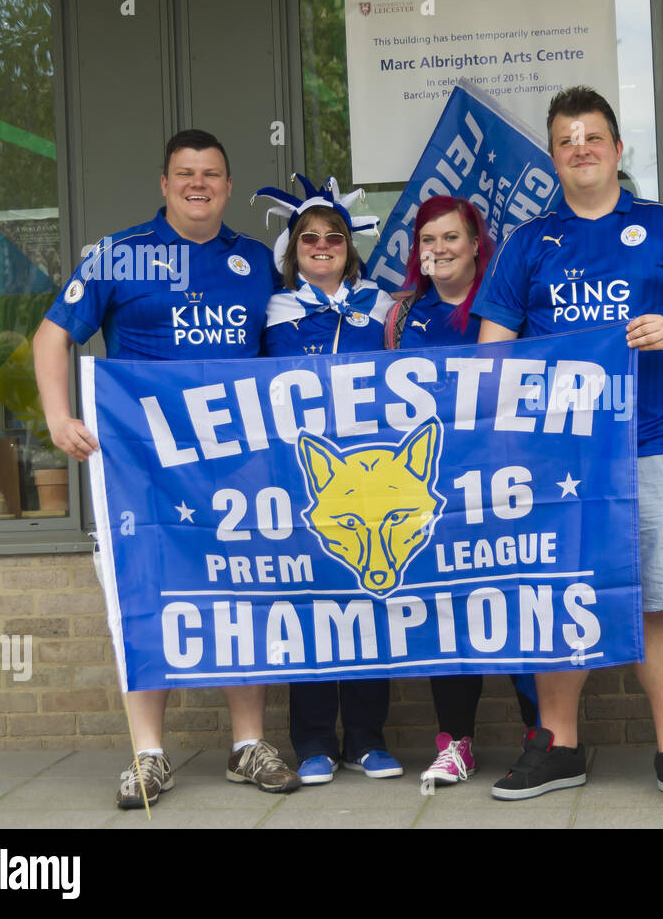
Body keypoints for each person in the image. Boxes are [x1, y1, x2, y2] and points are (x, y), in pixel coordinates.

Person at [475, 85, 663, 808]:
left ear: (618, 150)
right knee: (557, 593)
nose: (581, 147)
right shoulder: (528, 243)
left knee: (662, 595)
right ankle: (557, 743)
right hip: (557, 457)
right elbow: (491, 352)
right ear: (555, 157)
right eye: (566, 139)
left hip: (649, 446)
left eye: (594, 136)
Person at [33, 129, 301, 808]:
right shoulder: (117, 256)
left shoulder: (256, 264)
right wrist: (58, 417)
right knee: (145, 598)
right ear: (164, 183)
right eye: (185, 173)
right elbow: (51, 335)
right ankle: (148, 756)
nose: (199, 184)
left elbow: (284, 355)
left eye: (211, 173)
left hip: (240, 469)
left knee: (245, 592)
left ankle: (247, 744)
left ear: (229, 184)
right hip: (142, 470)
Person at [382, 194, 539, 787]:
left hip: (503, 486)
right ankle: (455, 744)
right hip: (435, 494)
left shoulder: (505, 309)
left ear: (477, 245)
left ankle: (538, 735)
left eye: (451, 238)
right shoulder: (402, 317)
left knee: (519, 609)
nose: (439, 249)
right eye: (428, 240)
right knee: (449, 613)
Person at [255, 174, 402, 784]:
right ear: (291, 248)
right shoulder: (272, 311)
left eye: (333, 236)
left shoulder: (386, 308)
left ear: (350, 244)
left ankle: (366, 738)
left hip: (370, 481)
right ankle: (313, 741)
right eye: (308, 237)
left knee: (370, 605)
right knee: (311, 607)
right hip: (300, 479)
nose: (321, 244)